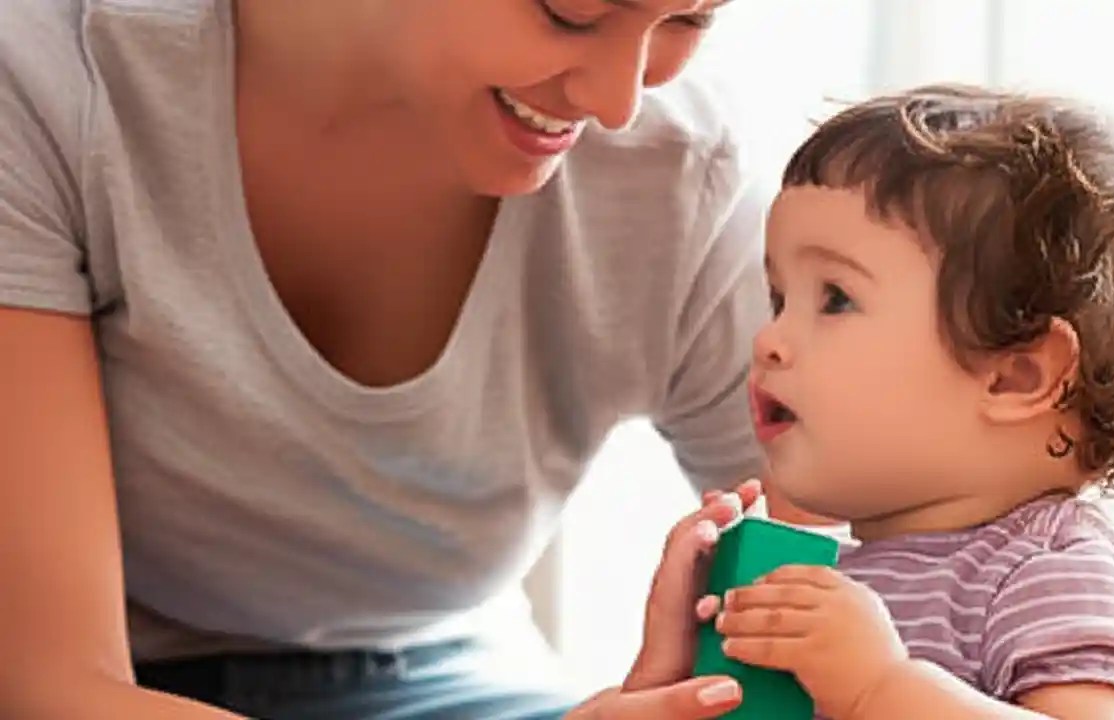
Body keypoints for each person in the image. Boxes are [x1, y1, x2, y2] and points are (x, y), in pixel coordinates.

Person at [0, 0, 774, 717]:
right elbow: (54, 689)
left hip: (440, 670)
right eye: (568, 10)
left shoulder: (680, 175)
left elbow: (851, 582)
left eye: (688, 16)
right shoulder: (55, 76)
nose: (618, 100)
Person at [658, 84, 1114, 719]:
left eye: (835, 299)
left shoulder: (1040, 570)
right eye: (779, 300)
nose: (769, 340)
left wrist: (878, 688)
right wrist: (670, 664)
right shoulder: (829, 583)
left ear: (1014, 377)